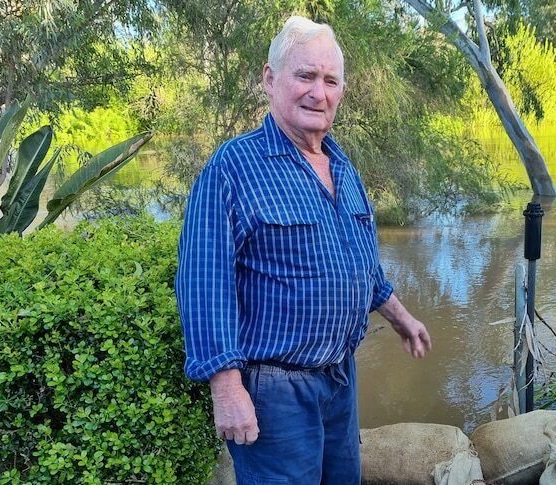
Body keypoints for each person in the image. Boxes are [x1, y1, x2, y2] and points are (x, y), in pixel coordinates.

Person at [175, 15, 432, 485]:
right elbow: (202, 282)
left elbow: (362, 265)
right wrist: (226, 388)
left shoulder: (342, 165)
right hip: (276, 391)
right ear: (270, 80)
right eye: (305, 76)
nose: (319, 92)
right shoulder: (234, 167)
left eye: (330, 80)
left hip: (339, 379)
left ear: (342, 92)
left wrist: (401, 317)